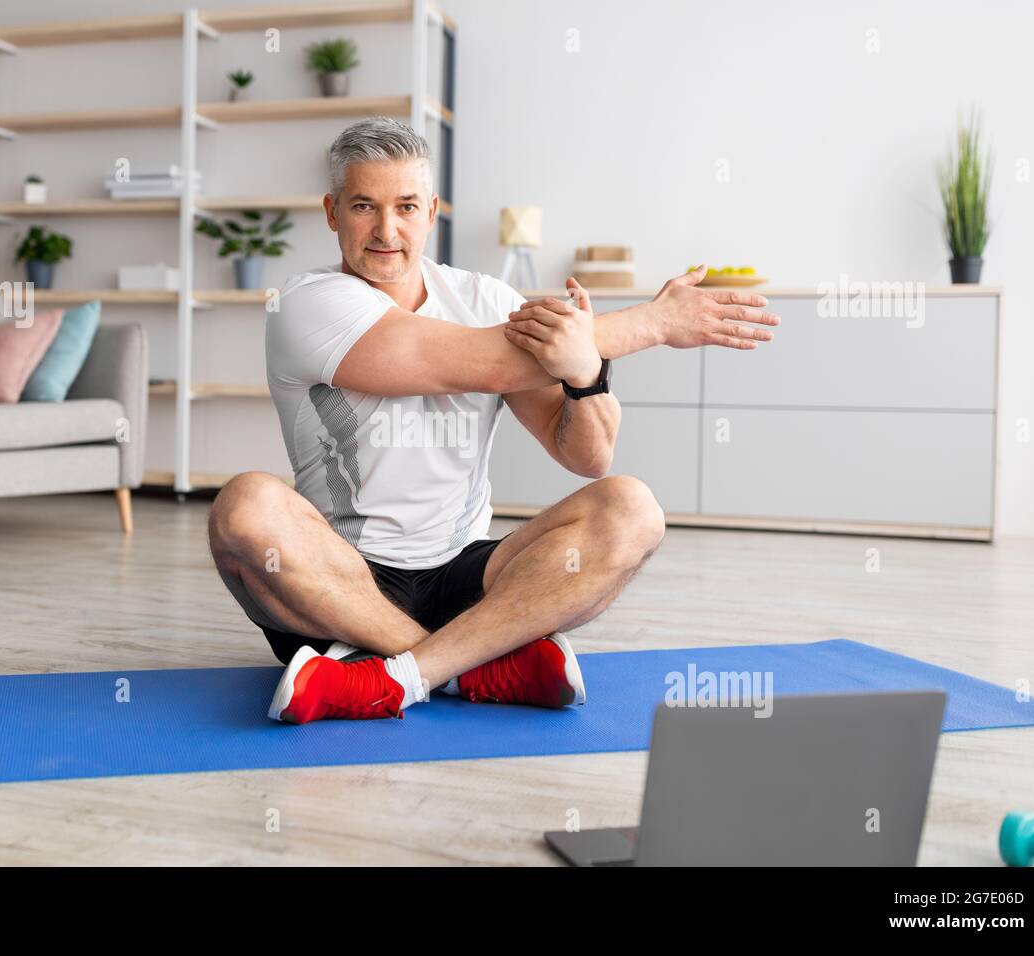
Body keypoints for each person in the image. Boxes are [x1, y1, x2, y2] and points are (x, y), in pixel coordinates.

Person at [208, 116, 779, 724]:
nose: (386, 230)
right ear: (331, 212)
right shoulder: (306, 305)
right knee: (244, 506)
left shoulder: (488, 301)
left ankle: (389, 678)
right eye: (363, 207)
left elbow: (586, 457)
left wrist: (587, 374)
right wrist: (652, 324)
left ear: (431, 211)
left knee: (632, 508)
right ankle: (466, 667)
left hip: (467, 575)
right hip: (341, 584)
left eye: (405, 207)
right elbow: (479, 364)